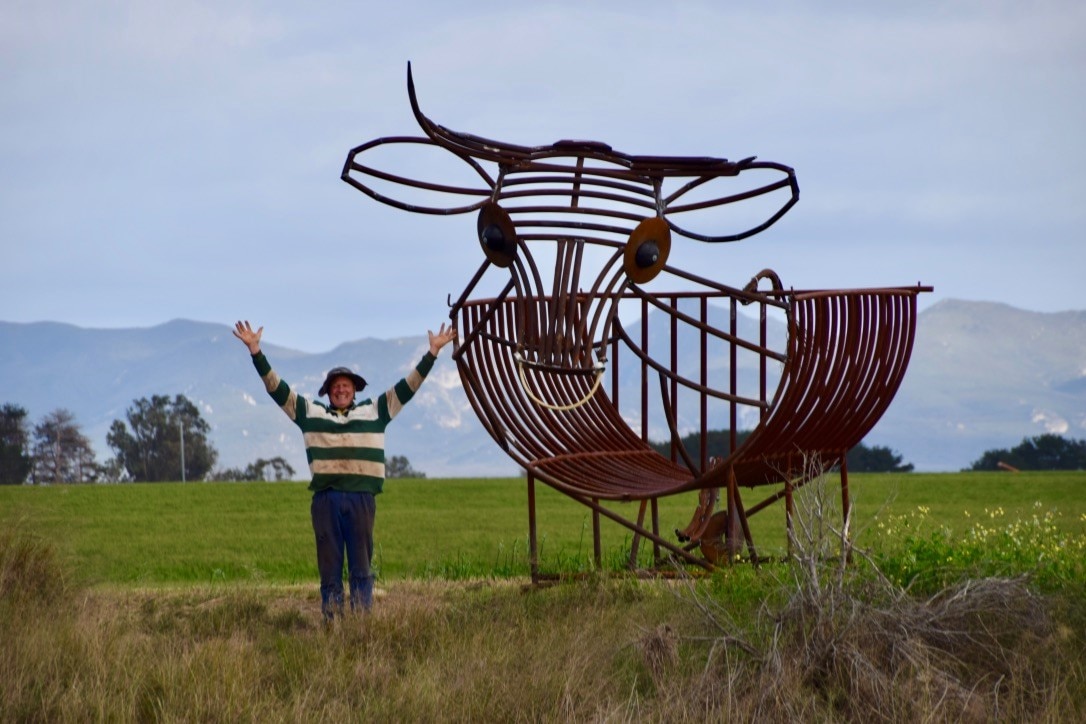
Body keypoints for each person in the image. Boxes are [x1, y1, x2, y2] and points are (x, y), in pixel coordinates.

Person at [232, 319, 457, 619]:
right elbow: (277, 389)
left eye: (346, 386)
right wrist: (256, 351)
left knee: (362, 565)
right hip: (326, 500)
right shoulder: (310, 413)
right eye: (336, 387)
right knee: (330, 565)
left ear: (354, 390)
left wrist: (432, 353)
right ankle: (332, 621)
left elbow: (409, 387)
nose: (341, 390)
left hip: (362, 499)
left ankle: (361, 623)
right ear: (328, 392)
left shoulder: (376, 410)